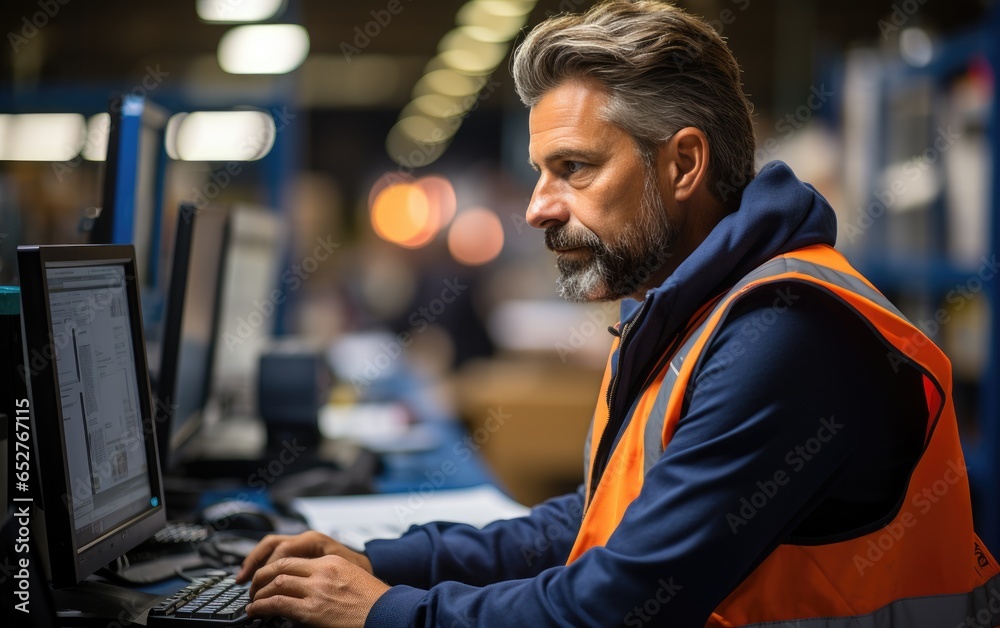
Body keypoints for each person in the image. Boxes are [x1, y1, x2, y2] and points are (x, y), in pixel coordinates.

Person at [237, 2, 1000, 626]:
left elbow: (617, 609)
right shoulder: (700, 308)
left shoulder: (785, 330)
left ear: (683, 165)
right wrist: (381, 562)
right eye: (541, 172)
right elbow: (595, 524)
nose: (538, 207)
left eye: (574, 168)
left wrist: (385, 613)